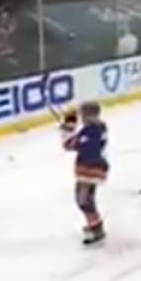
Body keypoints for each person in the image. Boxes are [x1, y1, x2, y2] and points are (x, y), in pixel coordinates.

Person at [63, 101, 109, 246]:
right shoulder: (98, 127)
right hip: (92, 168)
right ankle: (95, 224)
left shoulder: (91, 130)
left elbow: (71, 145)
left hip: (90, 169)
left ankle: (96, 228)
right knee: (85, 199)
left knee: (84, 200)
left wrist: (68, 129)